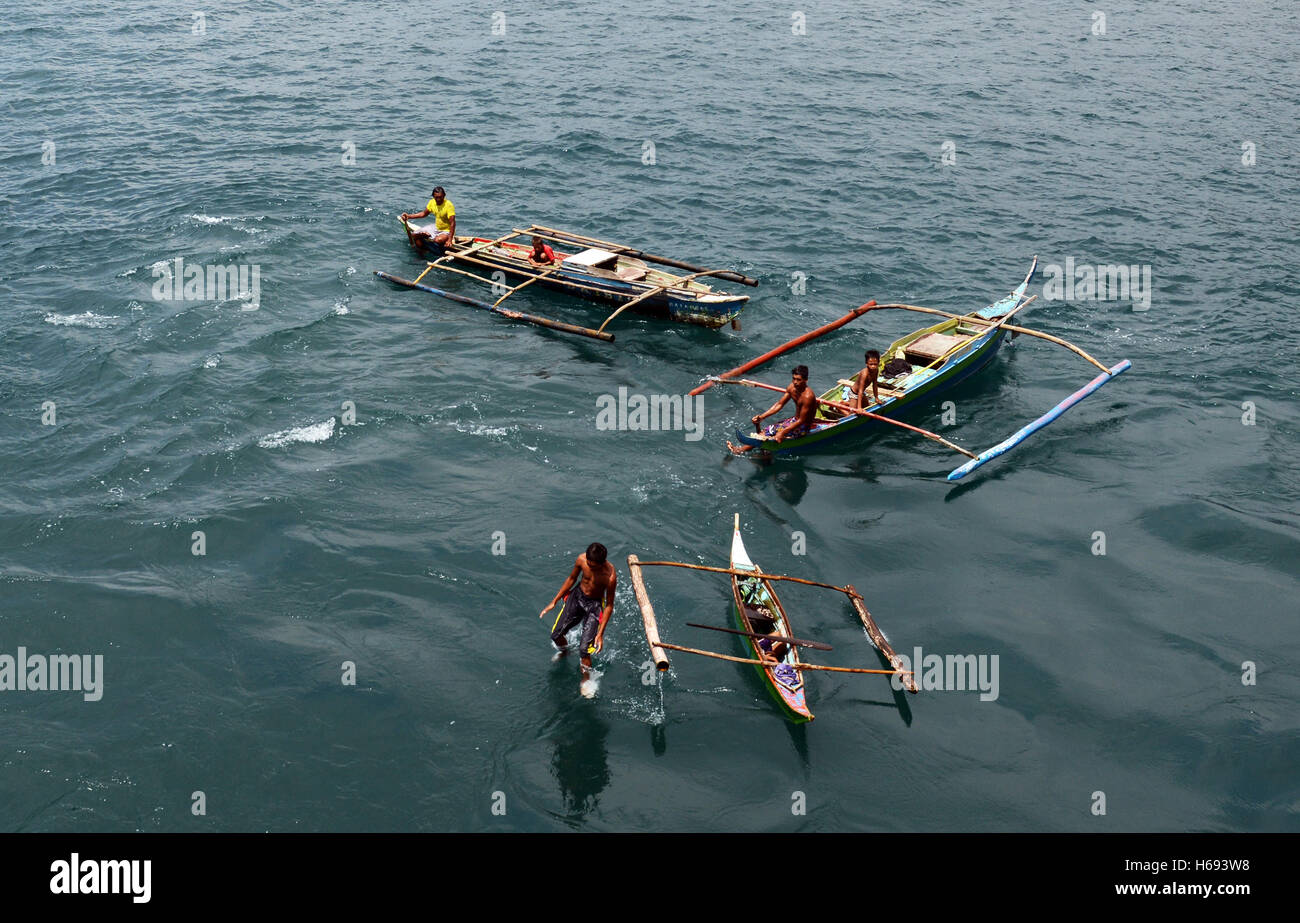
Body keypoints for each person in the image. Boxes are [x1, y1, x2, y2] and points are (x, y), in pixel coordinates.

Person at [539, 543, 616, 684]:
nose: (590, 567)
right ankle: (565, 652)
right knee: (556, 635)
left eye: (593, 566)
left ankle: (587, 679)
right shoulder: (581, 559)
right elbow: (572, 578)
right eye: (588, 564)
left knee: (584, 650)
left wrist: (600, 634)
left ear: (602, 563)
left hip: (595, 605)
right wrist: (554, 601)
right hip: (577, 597)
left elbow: (610, 605)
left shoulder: (609, 576)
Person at [726, 365, 819, 454]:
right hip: (794, 421)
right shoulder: (792, 388)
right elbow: (779, 404)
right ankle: (740, 450)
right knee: (767, 432)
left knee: (774, 437)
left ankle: (748, 451)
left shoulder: (808, 397)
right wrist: (762, 417)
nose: (795, 382)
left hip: (804, 425)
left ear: (806, 380)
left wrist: (783, 432)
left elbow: (801, 420)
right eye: (793, 379)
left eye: (798, 380)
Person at [400, 186, 456, 254]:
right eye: (436, 197)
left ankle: (427, 238)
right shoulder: (432, 202)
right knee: (413, 235)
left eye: (440, 197)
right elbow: (423, 214)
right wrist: (409, 216)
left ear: (444, 196)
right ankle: (422, 251)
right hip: (436, 227)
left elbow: (452, 223)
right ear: (433, 197)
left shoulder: (449, 205)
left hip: (446, 231)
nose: (438, 199)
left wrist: (450, 240)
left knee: (438, 240)